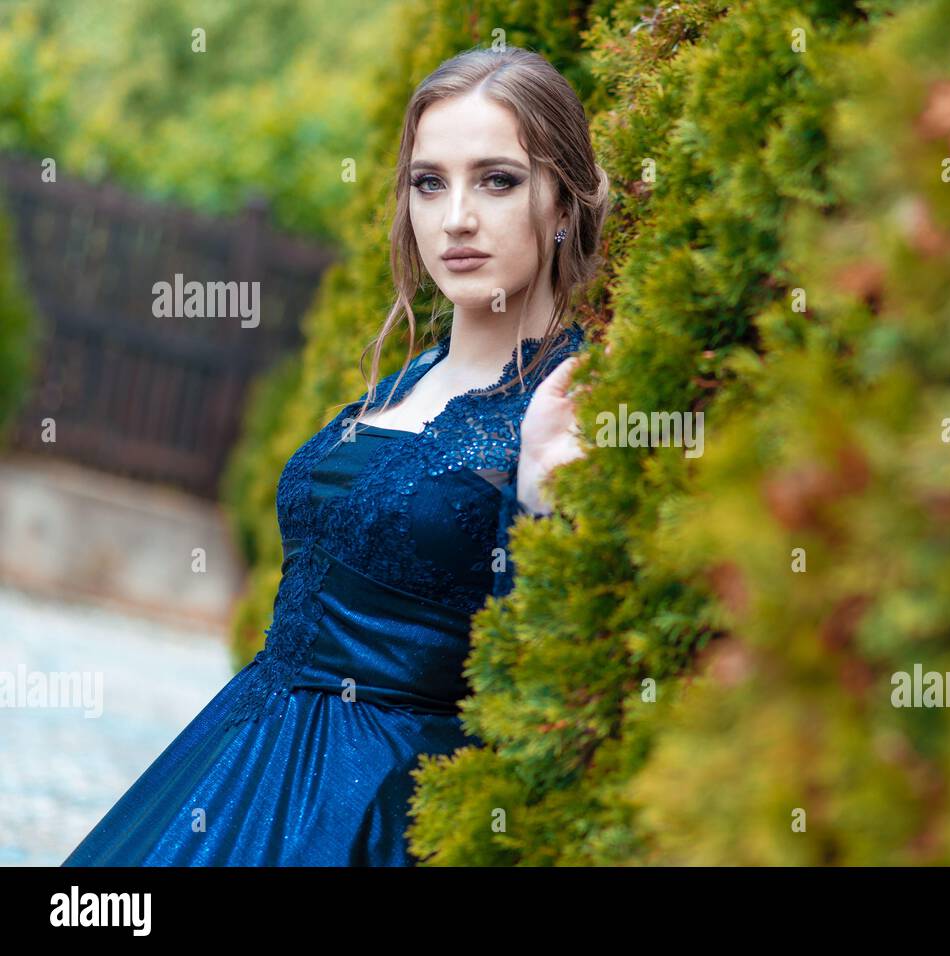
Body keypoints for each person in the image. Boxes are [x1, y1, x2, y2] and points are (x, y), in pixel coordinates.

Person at [61, 45, 610, 865]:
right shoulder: (405, 379)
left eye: (497, 180)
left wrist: (536, 497)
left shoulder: (564, 406)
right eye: (430, 182)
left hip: (377, 808)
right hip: (240, 759)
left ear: (561, 201)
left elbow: (550, 675)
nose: (456, 216)